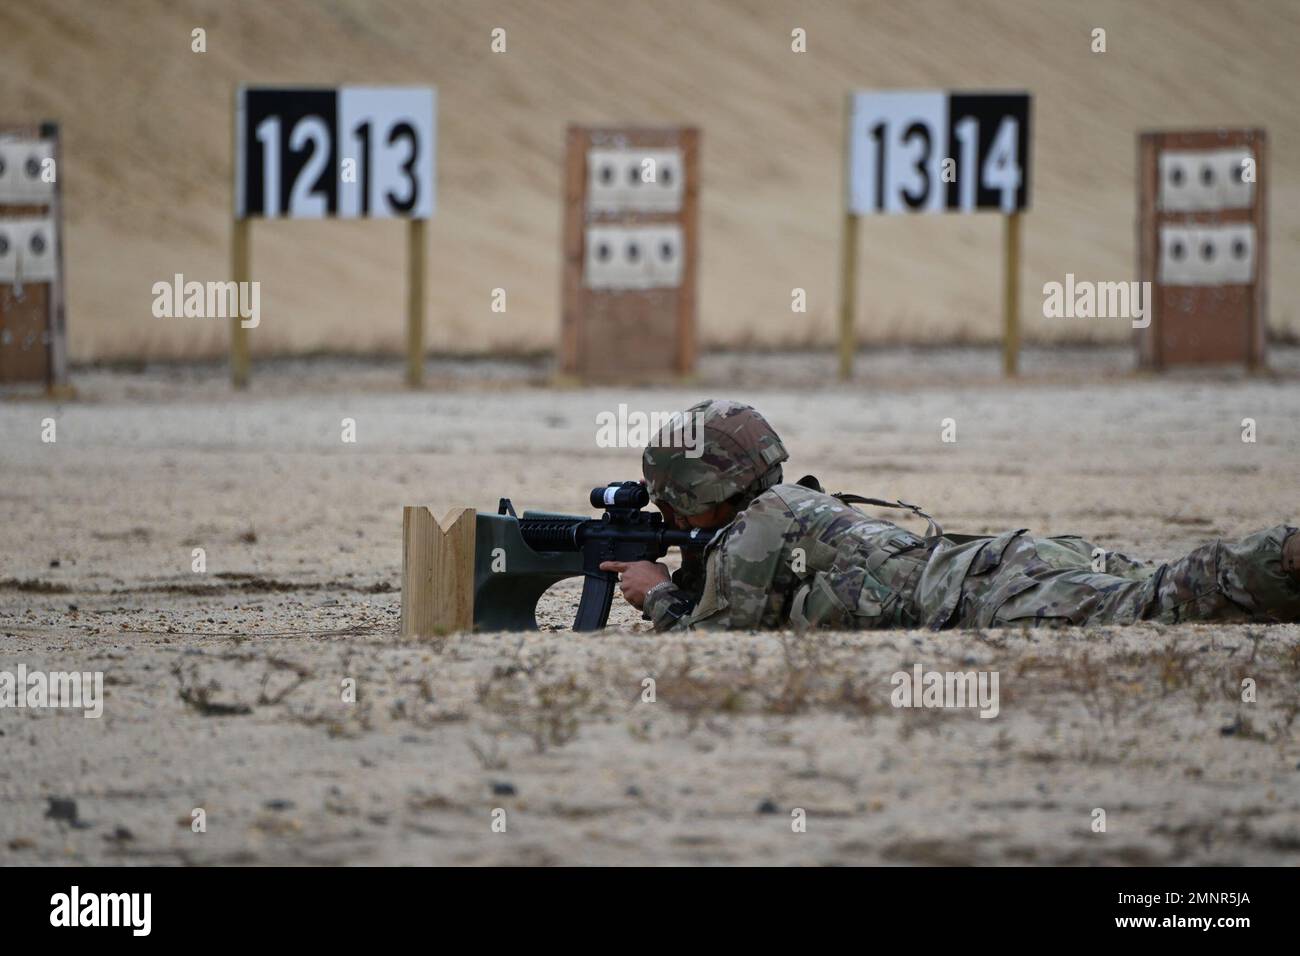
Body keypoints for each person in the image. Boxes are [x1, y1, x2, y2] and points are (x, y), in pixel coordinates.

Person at [599, 399, 1300, 631]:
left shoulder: (758, 528)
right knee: (1159, 586)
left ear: (700, 491)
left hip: (985, 592)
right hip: (999, 563)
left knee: (1165, 601)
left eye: (670, 501)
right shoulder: (793, 505)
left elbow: (714, 642)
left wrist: (653, 592)